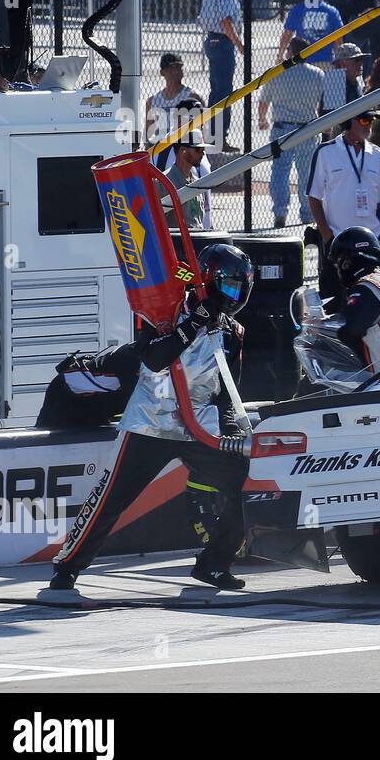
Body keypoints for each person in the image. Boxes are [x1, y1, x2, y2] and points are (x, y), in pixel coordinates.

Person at [49, 245, 256, 592]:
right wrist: (194, 322)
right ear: (209, 280)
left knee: (242, 481)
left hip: (198, 429)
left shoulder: (233, 332)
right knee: (112, 497)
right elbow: (153, 359)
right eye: (233, 285)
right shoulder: (162, 309)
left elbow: (226, 389)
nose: (238, 295)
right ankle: (68, 566)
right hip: (150, 423)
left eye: (243, 287)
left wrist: (230, 426)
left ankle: (214, 563)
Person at [307, 112, 380, 300]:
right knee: (333, 304)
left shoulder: (377, 154)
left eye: (371, 121)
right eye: (363, 120)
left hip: (370, 244)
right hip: (339, 243)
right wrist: (328, 236)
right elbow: (314, 197)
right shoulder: (326, 152)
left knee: (372, 301)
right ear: (349, 121)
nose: (368, 125)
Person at [325, 226, 380, 372]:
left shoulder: (366, 288)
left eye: (338, 263)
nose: (338, 270)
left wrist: (319, 331)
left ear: (346, 262)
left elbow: (350, 331)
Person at [259, 37, 325, 229]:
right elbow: (322, 103)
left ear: (289, 52)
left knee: (280, 171)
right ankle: (307, 212)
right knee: (306, 173)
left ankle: (280, 211)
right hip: (307, 127)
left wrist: (262, 119)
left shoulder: (277, 73)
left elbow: (264, 101)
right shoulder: (317, 74)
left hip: (282, 128)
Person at [197, 0, 245, 148]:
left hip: (216, 41)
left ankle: (215, 136)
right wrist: (240, 45)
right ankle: (219, 138)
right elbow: (225, 21)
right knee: (223, 92)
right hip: (221, 41)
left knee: (218, 91)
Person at [277, 0, 344, 65]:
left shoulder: (297, 10)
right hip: (325, 60)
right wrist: (340, 59)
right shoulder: (331, 11)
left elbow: (287, 34)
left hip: (302, 60)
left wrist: (280, 55)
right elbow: (338, 39)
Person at [162, 125, 213, 231]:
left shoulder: (196, 181)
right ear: (182, 151)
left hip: (196, 241)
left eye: (203, 149)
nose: (203, 153)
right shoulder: (163, 183)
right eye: (198, 149)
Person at [145, 52, 202, 143]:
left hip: (183, 145)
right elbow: (148, 133)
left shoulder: (191, 97)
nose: (176, 71)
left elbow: (201, 127)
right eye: (171, 68)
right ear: (162, 72)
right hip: (160, 146)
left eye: (178, 67)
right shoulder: (153, 101)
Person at [322, 42, 368, 114]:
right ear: (342, 64)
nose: (361, 63)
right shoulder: (334, 84)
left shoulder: (357, 80)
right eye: (356, 60)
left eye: (361, 59)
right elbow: (334, 120)